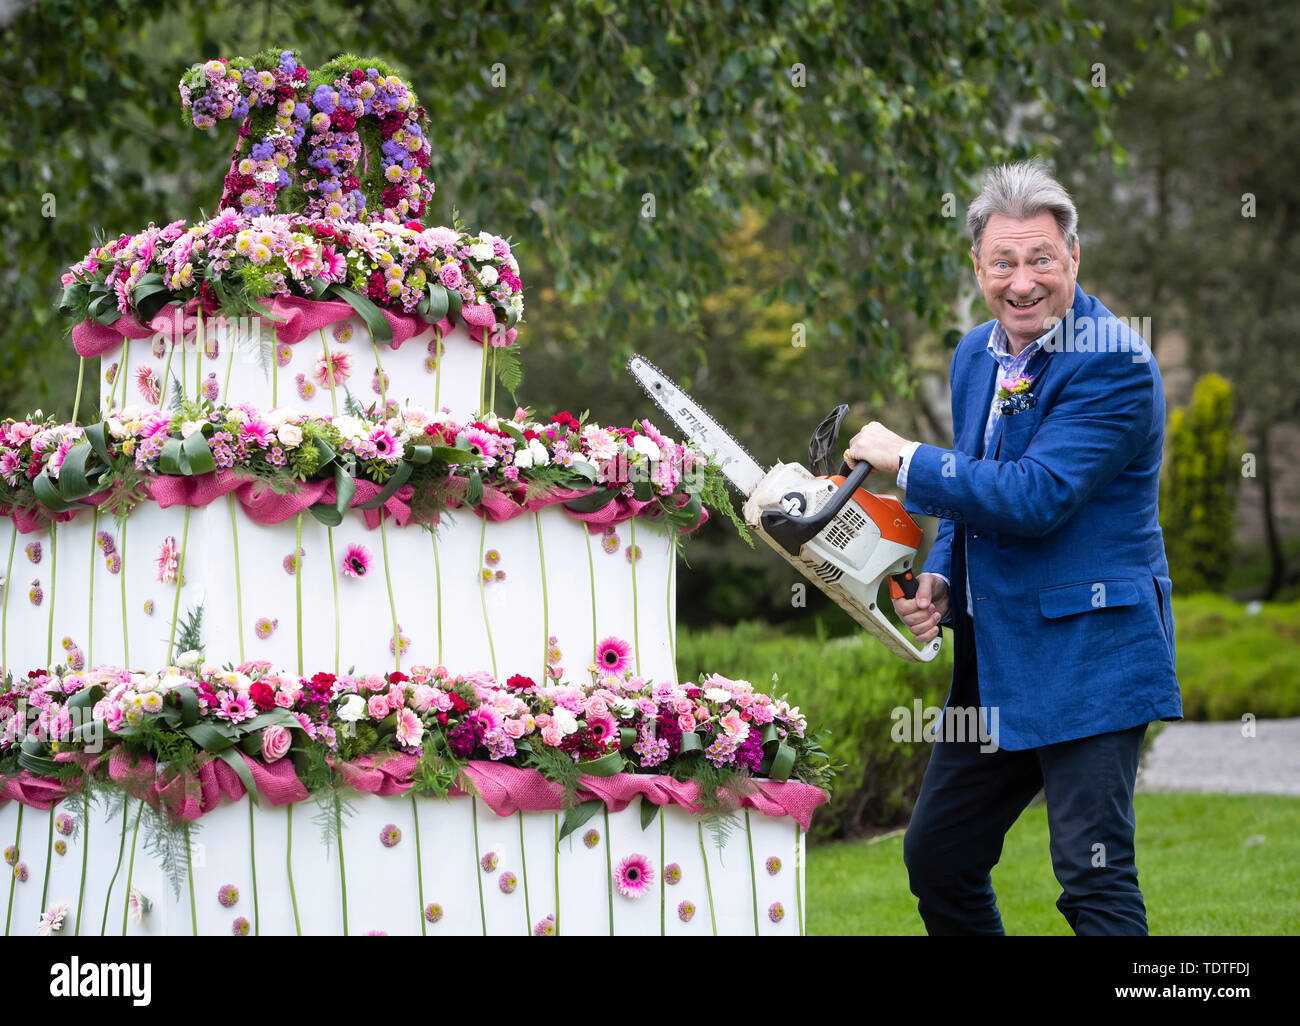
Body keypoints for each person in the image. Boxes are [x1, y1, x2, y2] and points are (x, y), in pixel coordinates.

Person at [843, 160, 1182, 936]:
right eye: (1003, 262)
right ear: (977, 268)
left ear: (1072, 261)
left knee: (1092, 882)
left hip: (1093, 655)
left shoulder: (1115, 363)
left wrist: (910, 458)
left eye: (1040, 260)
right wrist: (938, 571)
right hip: (998, 661)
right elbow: (978, 486)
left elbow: (1035, 495)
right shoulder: (974, 356)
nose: (1021, 282)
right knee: (939, 858)